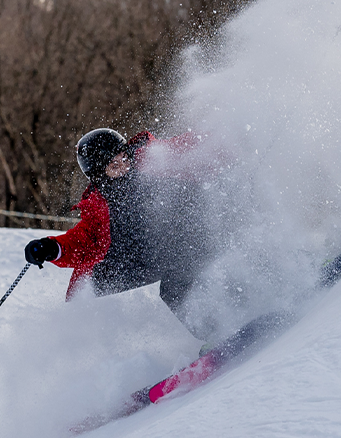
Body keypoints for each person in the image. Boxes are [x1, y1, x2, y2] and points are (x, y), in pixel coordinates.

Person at [23, 127, 220, 339]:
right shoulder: (100, 203)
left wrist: (228, 134)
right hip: (139, 258)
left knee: (178, 283)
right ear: (99, 173)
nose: (124, 167)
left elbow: (188, 146)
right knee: (87, 291)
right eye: (114, 165)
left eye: (124, 158)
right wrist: (53, 248)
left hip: (187, 235)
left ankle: (220, 330)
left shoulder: (151, 159)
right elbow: (85, 239)